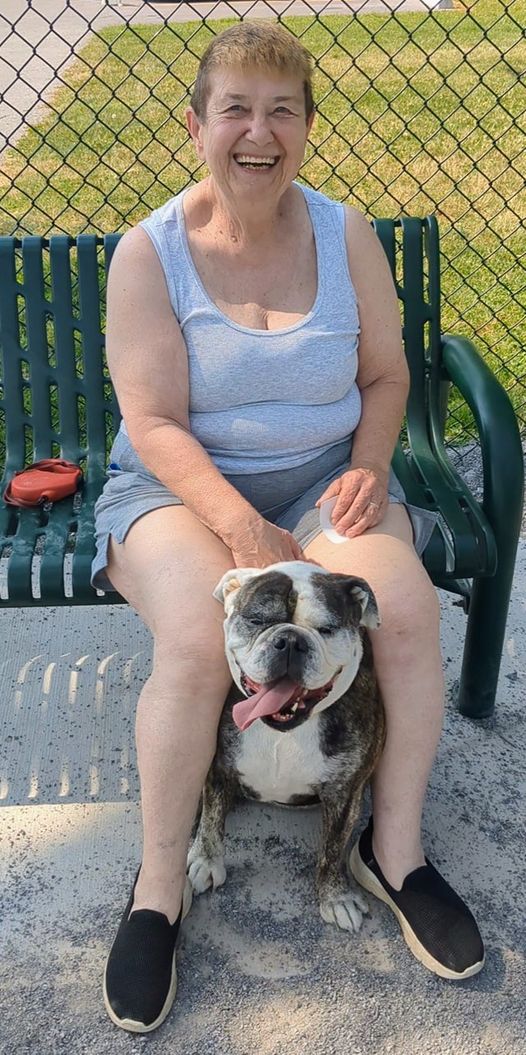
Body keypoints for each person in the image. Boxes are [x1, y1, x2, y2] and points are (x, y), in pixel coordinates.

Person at [92, 21, 484, 1034]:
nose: (258, 133)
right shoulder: (150, 253)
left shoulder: (344, 235)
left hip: (324, 481)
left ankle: (394, 851)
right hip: (177, 492)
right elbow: (153, 423)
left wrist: (367, 468)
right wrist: (239, 527)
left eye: (281, 111)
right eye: (235, 109)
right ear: (196, 126)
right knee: (196, 636)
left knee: (402, 610)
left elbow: (386, 375)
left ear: (306, 127)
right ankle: (159, 887)